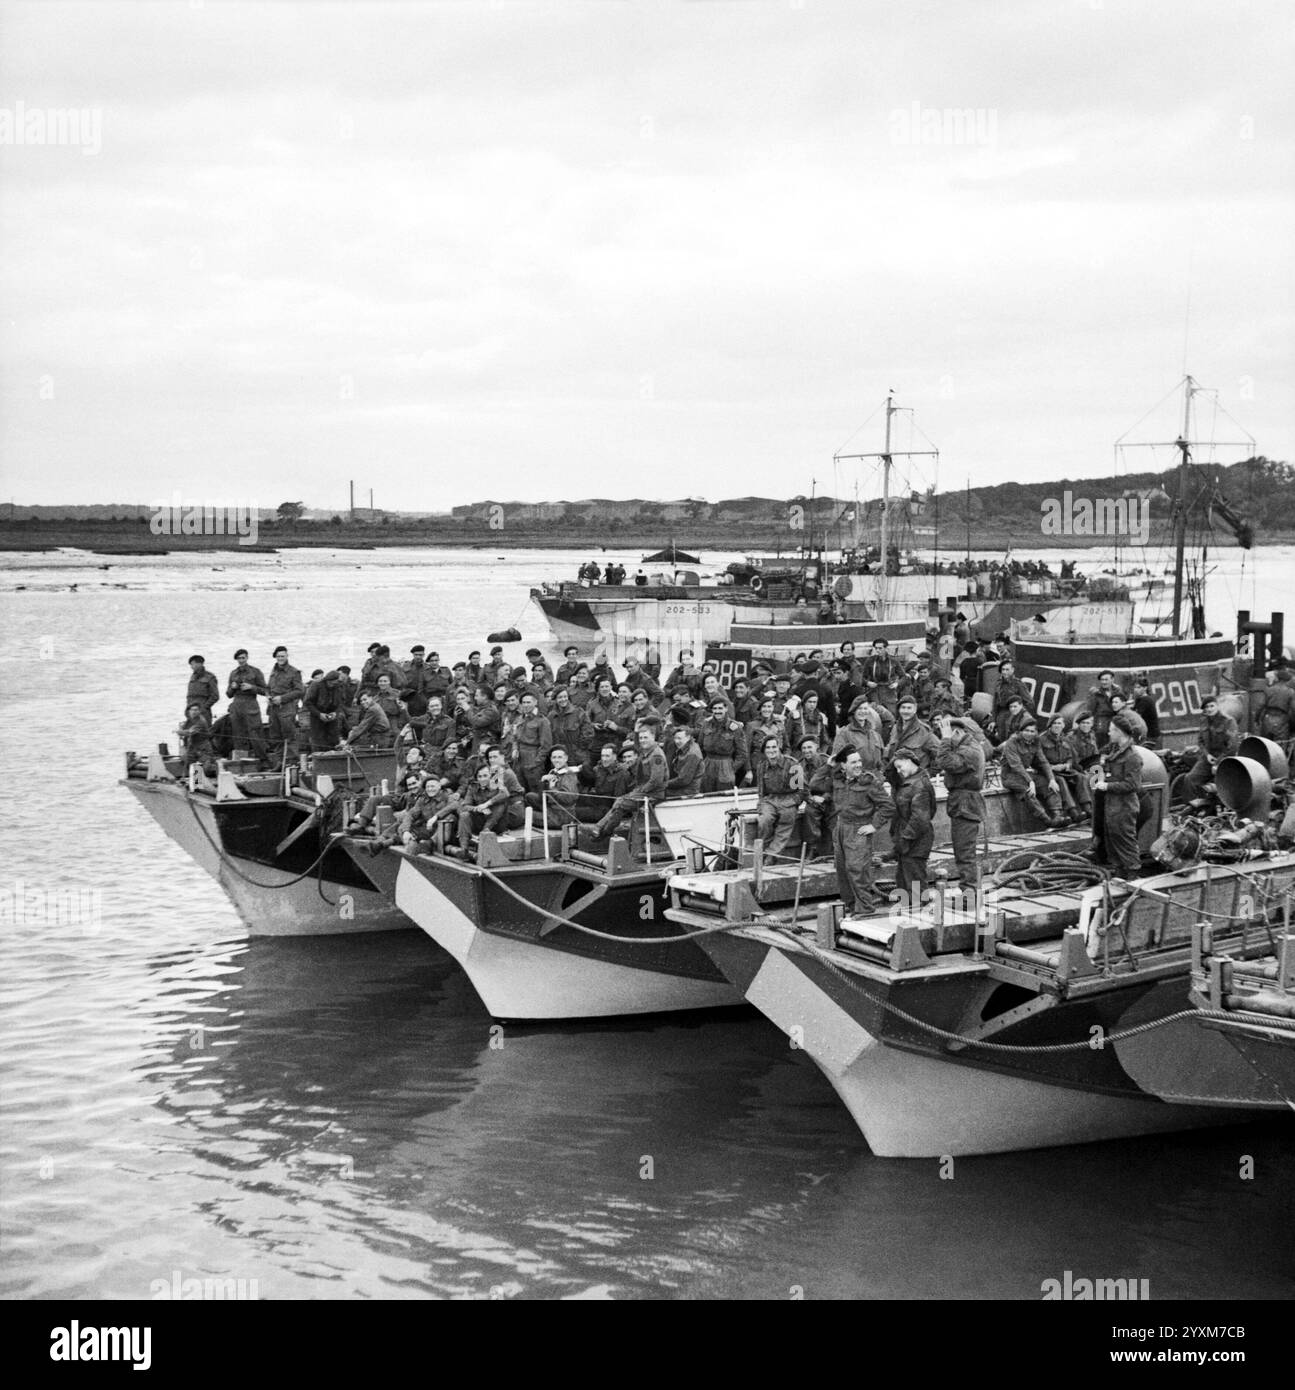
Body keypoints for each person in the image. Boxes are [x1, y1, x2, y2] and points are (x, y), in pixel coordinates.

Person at [830, 748, 891, 918]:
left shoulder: (869, 782)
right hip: (841, 828)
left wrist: (874, 825)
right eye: (853, 762)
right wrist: (828, 766)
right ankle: (852, 909)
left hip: (858, 830)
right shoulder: (838, 779)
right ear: (843, 765)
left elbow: (888, 806)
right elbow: (815, 783)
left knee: (857, 871)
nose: (858, 765)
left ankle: (865, 911)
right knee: (842, 871)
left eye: (859, 761)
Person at [592, 727, 669, 842]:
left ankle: (601, 831)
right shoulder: (647, 752)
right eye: (641, 738)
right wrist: (637, 729)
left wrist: (641, 790)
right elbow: (637, 746)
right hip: (644, 791)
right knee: (619, 802)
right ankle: (602, 831)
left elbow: (656, 780)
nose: (643, 740)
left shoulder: (656, 755)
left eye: (646, 737)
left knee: (620, 803)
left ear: (653, 737)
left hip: (653, 794)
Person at [934, 715, 985, 885]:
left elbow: (944, 761)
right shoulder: (968, 747)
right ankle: (970, 893)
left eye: (947, 735)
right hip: (964, 803)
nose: (946, 740)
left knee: (965, 853)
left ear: (955, 732)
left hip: (965, 805)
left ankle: (970, 895)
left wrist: (946, 739)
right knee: (964, 851)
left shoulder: (968, 750)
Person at [1094, 715, 1143, 877]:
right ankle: (1119, 875)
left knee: (1126, 843)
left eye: (1111, 731)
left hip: (1124, 807)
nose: (1108, 734)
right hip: (1112, 806)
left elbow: (1132, 785)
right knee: (1112, 843)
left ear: (1119, 732)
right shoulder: (1114, 750)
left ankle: (1132, 877)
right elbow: (1104, 757)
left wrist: (1107, 785)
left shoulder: (1132, 757)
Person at [999, 721, 1066, 828]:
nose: (1029, 733)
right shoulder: (1012, 742)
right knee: (1027, 791)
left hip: (1025, 774)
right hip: (1010, 776)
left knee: (1046, 783)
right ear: (1020, 731)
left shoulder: (1036, 741)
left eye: (1032, 731)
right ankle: (1047, 820)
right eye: (1026, 730)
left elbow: (1043, 761)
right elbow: (1016, 765)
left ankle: (1057, 815)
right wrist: (1030, 781)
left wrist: (1052, 779)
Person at [890, 752, 935, 907]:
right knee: (904, 881)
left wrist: (905, 839)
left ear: (909, 761)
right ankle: (910, 916)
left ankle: (920, 918)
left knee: (915, 881)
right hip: (908, 840)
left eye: (900, 766)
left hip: (916, 841)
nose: (898, 771)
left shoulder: (919, 785)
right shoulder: (908, 782)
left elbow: (920, 819)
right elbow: (888, 773)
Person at [1180, 695, 1241, 799]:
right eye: (1206, 707)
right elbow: (1200, 742)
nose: (1209, 709)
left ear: (1217, 706)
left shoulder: (1228, 721)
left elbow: (1233, 747)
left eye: (1212, 706)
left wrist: (1219, 760)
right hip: (1207, 759)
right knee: (1189, 779)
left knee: (1223, 788)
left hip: (1225, 760)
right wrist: (1207, 755)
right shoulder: (1204, 721)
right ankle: (1194, 807)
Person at [756, 735, 804, 858]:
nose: (771, 750)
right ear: (764, 750)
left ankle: (771, 856)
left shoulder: (792, 764)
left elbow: (800, 791)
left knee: (785, 823)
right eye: (768, 748)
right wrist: (762, 805)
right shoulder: (762, 766)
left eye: (774, 747)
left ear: (779, 748)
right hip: (770, 800)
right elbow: (762, 792)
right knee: (764, 821)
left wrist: (791, 804)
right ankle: (763, 852)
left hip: (789, 799)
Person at [225, 649, 268, 760]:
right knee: (238, 735)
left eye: (243, 658)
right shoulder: (233, 673)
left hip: (251, 704)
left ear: (247, 658)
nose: (241, 660)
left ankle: (263, 760)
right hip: (237, 704)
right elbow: (228, 694)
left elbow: (266, 691)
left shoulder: (255, 672)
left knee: (255, 734)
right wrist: (232, 687)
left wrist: (251, 687)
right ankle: (242, 762)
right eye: (239, 658)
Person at [697, 698, 747, 792]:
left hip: (725, 764)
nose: (717, 711)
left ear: (726, 709)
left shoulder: (735, 727)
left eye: (720, 708)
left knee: (724, 794)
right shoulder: (706, 724)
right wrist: (703, 763)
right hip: (708, 764)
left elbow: (742, 754)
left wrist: (731, 768)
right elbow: (700, 747)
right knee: (706, 792)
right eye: (714, 709)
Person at [1040, 715, 1081, 820]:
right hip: (1048, 771)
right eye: (1054, 723)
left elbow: (1070, 757)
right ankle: (1072, 810)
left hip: (1063, 770)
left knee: (1082, 777)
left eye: (1059, 723)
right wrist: (1052, 767)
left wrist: (1067, 765)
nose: (1057, 726)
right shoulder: (1041, 740)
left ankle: (1087, 807)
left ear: (1063, 726)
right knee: (1060, 780)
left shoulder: (1065, 740)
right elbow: (1039, 760)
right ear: (1050, 725)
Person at [526, 747, 581, 825]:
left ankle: (543, 817)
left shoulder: (569, 774)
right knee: (530, 796)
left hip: (562, 815)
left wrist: (552, 788)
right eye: (554, 757)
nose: (556, 760)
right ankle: (542, 815)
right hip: (552, 807)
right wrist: (543, 782)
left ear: (566, 758)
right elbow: (543, 797)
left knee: (525, 815)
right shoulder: (554, 771)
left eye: (560, 757)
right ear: (551, 759)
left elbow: (568, 799)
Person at [304, 669, 346, 750]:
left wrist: (335, 713)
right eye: (330, 683)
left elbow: (340, 703)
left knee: (333, 740)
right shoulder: (316, 685)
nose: (332, 685)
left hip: (332, 717)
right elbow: (308, 702)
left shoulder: (339, 687)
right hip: (317, 716)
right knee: (318, 741)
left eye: (334, 683)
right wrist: (319, 714)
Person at [665, 726, 704, 797]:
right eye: (675, 738)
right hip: (683, 787)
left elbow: (683, 780)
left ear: (688, 737)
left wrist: (663, 784)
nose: (676, 741)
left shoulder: (692, 754)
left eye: (679, 738)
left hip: (689, 791)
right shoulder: (685, 747)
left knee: (657, 793)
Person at [179, 702, 216, 774]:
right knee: (185, 760)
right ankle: (196, 776)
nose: (194, 712)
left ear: (199, 711)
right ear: (189, 711)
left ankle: (201, 776)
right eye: (192, 710)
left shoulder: (201, 721)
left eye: (196, 710)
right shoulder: (189, 720)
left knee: (206, 769)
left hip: (203, 749)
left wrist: (179, 732)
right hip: (192, 748)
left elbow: (190, 732)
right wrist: (181, 729)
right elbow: (185, 729)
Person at [185, 655, 219, 722]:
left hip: (203, 712)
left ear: (199, 664)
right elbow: (189, 695)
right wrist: (188, 710)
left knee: (204, 731)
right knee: (191, 731)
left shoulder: (210, 677)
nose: (191, 667)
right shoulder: (193, 677)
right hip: (191, 711)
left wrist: (203, 708)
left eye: (192, 664)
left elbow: (215, 696)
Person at [1131, 678, 1161, 747]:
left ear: (1145, 688)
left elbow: (1136, 717)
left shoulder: (1145, 700)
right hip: (1148, 735)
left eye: (1139, 687)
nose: (1136, 689)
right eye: (1135, 687)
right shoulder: (1140, 699)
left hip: (1151, 736)